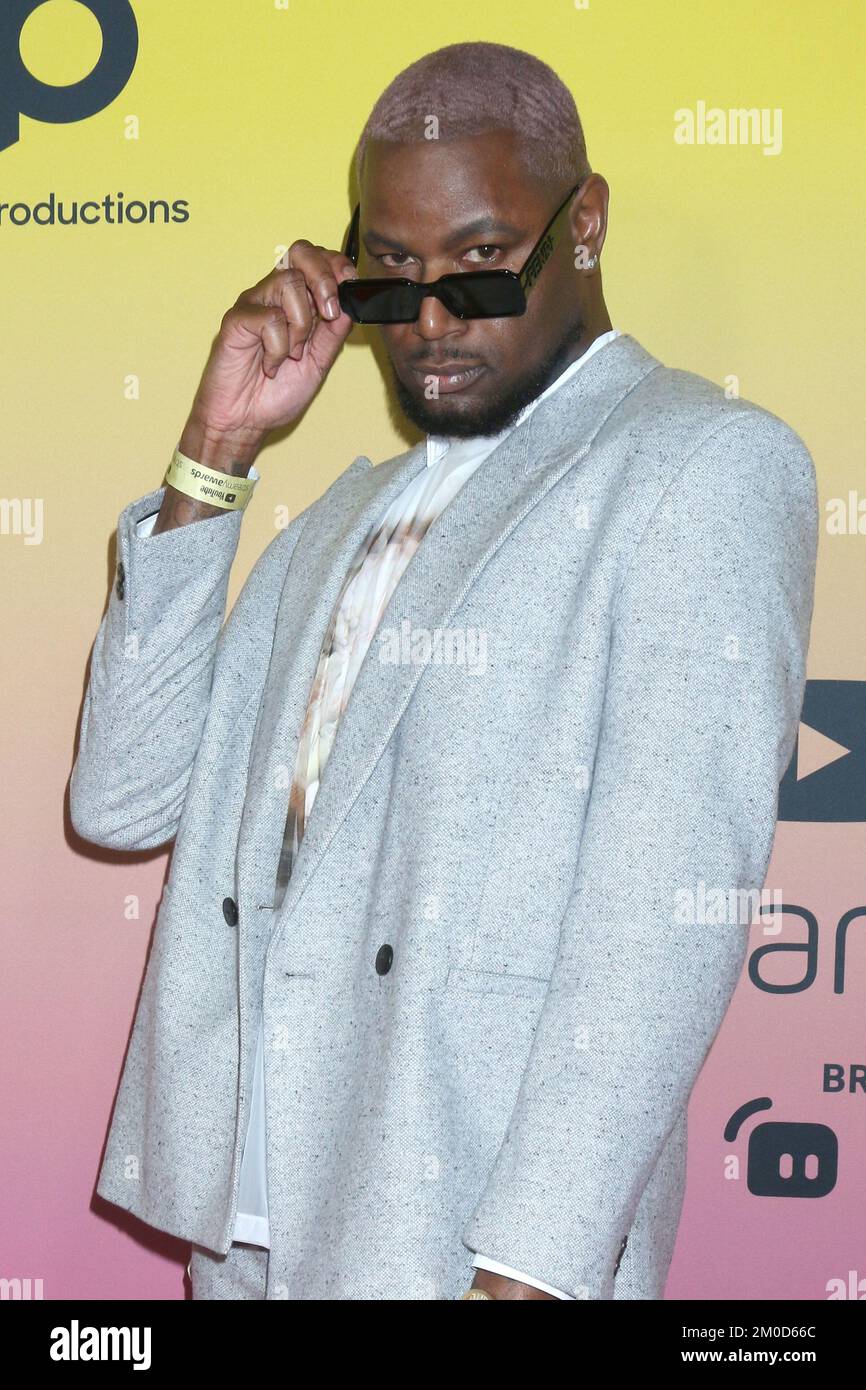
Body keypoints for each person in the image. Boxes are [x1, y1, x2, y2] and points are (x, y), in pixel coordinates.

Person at [70, 41, 818, 1300]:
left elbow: (654, 928)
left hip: (458, 1237)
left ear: (581, 225)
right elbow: (120, 800)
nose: (424, 324)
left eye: (478, 267)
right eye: (389, 274)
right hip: (252, 1233)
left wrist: (527, 1272)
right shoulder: (334, 523)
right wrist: (219, 446)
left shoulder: (696, 467)